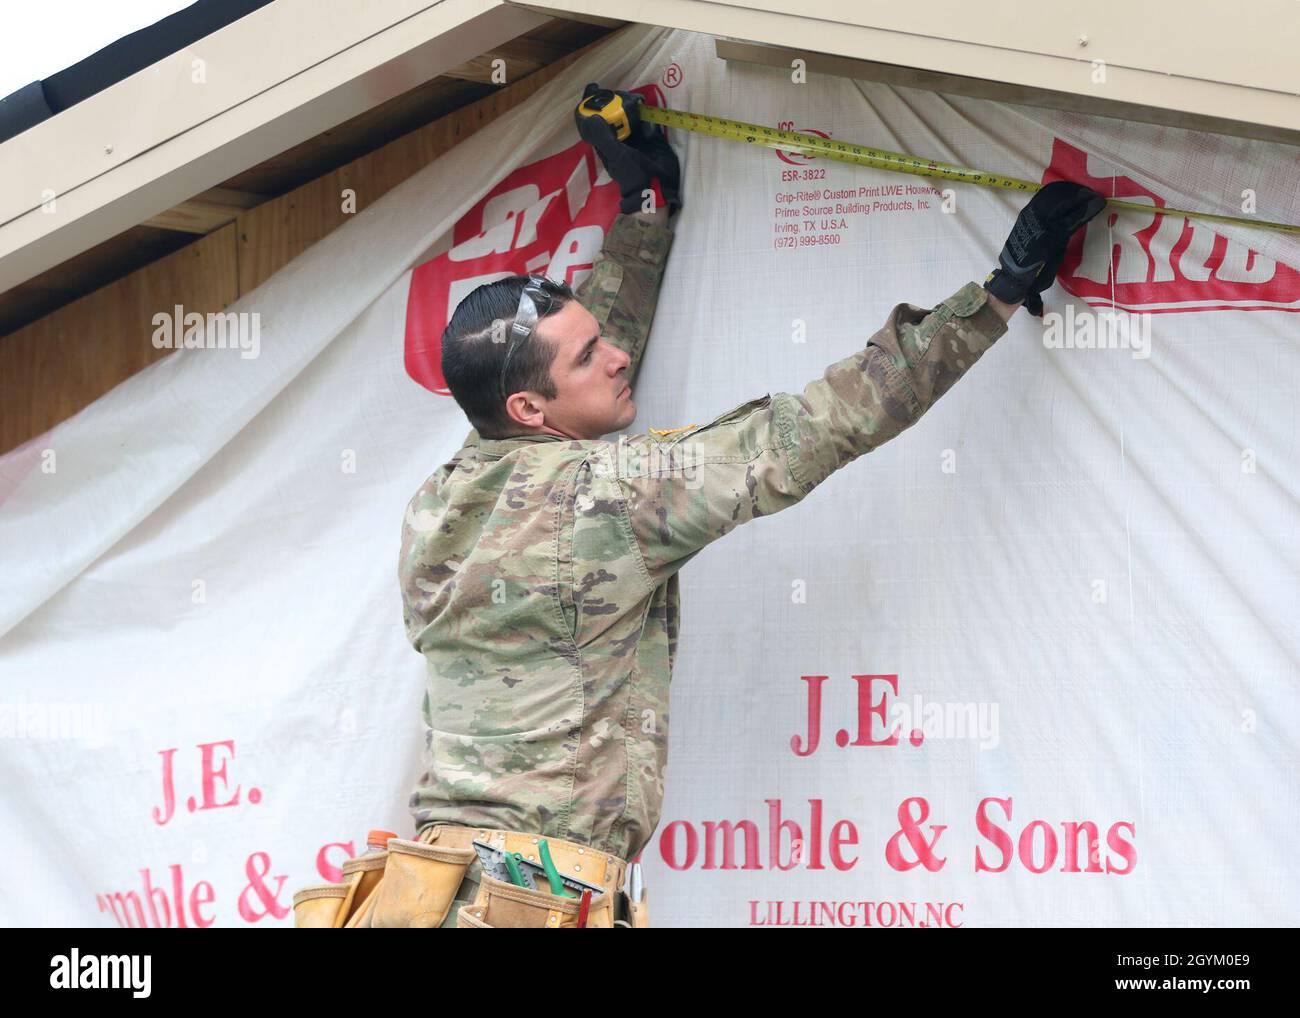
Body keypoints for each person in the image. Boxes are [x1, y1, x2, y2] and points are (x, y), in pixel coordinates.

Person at [394, 84, 1105, 927]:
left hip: (431, 892)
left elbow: (563, 380)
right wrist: (992, 297)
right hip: (532, 905)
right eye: (594, 357)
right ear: (529, 411)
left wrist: (645, 212)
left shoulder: (437, 503)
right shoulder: (608, 501)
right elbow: (809, 431)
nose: (618, 358)